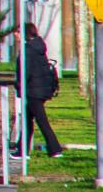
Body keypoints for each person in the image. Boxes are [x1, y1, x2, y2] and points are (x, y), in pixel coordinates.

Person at [13, 21, 65, 158]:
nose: (15, 35)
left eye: (17, 32)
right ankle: (21, 150)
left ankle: (55, 149)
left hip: (33, 91)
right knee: (27, 120)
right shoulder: (38, 47)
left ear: (24, 33)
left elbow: (25, 72)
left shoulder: (28, 50)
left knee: (41, 121)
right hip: (39, 89)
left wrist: (18, 86)